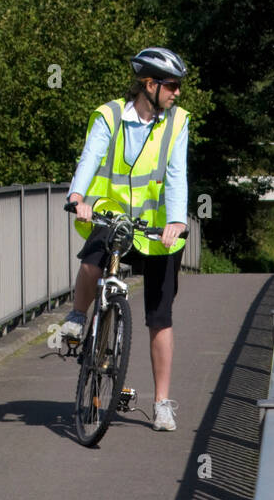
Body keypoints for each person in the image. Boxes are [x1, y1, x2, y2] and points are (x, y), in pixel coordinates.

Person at [60, 47, 190, 431]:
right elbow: (91, 155)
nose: (177, 94)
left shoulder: (177, 122)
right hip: (112, 215)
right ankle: (77, 316)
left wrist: (177, 221)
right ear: (149, 85)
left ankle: (163, 404)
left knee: (160, 318)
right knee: (90, 262)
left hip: (157, 231)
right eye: (172, 86)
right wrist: (77, 196)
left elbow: (177, 174)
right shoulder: (110, 116)